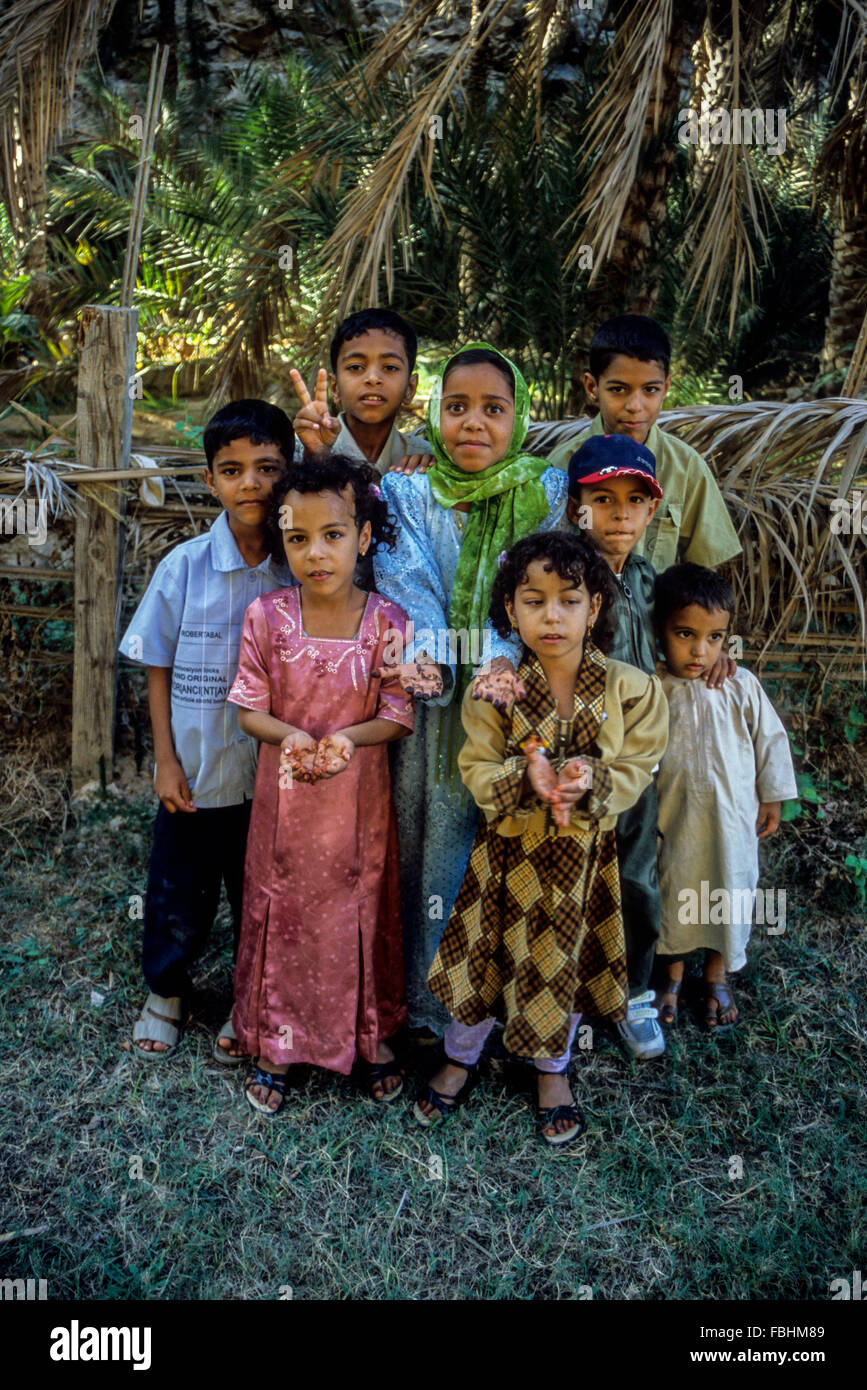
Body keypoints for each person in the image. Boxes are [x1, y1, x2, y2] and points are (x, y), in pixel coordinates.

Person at [415, 533, 669, 1145]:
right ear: (510, 611)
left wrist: (594, 777)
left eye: (569, 600)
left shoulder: (631, 688)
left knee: (567, 964)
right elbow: (477, 771)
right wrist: (520, 777)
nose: (551, 616)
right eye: (534, 601)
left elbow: (642, 762)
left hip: (582, 868)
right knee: (484, 960)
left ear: (596, 608)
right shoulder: (495, 691)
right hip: (505, 861)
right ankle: (460, 1055)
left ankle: (553, 1068)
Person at [373, 344, 570, 1040]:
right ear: (432, 415)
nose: (473, 424)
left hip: (506, 699)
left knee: (497, 847)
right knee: (421, 833)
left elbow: (532, 584)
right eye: (456, 408)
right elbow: (407, 579)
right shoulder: (404, 490)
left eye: (493, 409)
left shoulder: (543, 490)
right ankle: (420, 1000)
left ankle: (486, 1003)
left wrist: (497, 659)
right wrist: (432, 658)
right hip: (430, 701)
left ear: (518, 417)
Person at [227, 454, 415, 1116]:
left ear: (363, 538)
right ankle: (275, 1044)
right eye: (298, 537)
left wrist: (345, 740)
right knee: (284, 913)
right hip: (285, 807)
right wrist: (292, 737)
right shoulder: (266, 617)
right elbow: (248, 706)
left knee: (360, 912)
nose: (315, 553)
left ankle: (371, 1039)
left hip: (358, 808)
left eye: (333, 535)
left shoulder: (388, 622)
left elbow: (397, 714)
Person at [121, 400, 294, 1062]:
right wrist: (164, 760)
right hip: (191, 773)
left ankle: (251, 998)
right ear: (210, 478)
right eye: (232, 470)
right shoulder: (184, 567)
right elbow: (156, 664)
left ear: (290, 470)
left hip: (271, 782)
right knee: (176, 892)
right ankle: (166, 990)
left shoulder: (300, 570)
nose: (250, 483)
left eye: (267, 467)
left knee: (263, 897)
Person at [565, 433, 736, 1061]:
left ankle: (634, 992)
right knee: (568, 877)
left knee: (636, 877)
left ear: (651, 511)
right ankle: (560, 992)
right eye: (602, 499)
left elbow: (683, 641)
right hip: (573, 759)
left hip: (634, 767)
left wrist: (714, 658)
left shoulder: (647, 577)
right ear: (574, 506)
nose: (619, 514)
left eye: (635, 501)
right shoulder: (561, 575)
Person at [652, 563, 797, 1030]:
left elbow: (770, 739)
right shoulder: (652, 687)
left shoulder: (739, 684)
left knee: (729, 890)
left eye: (714, 638)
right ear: (660, 630)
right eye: (685, 634)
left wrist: (772, 796)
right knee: (673, 890)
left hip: (732, 824)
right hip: (674, 821)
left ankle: (718, 975)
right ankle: (670, 977)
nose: (700, 651)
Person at [548, 314, 742, 572]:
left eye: (650, 390)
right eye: (618, 389)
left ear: (666, 387)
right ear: (592, 387)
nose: (634, 406)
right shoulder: (560, 467)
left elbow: (705, 572)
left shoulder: (686, 469)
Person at [288, 307, 433, 476]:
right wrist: (316, 457)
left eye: (390, 367)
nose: (372, 378)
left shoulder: (425, 459)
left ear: (410, 388)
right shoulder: (299, 452)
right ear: (335, 388)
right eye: (356, 367)